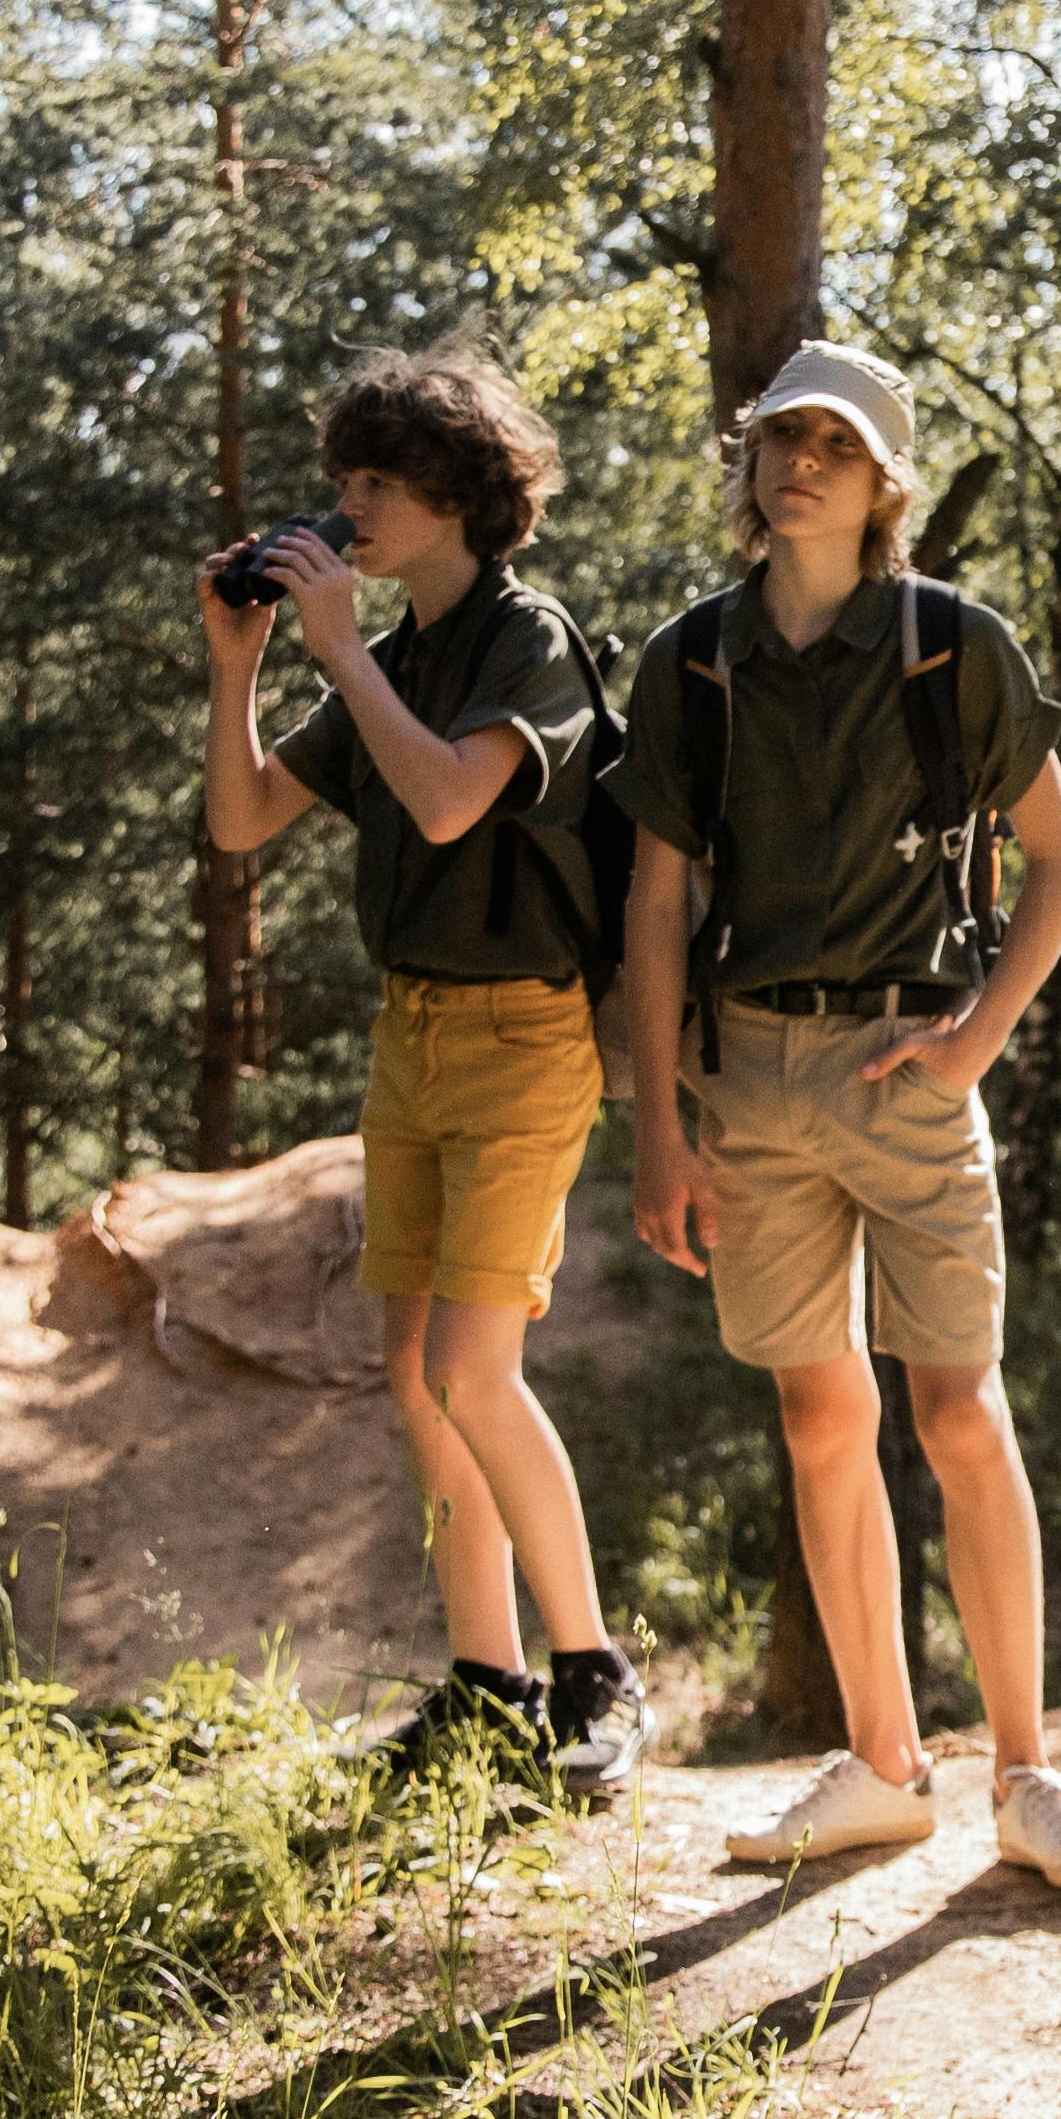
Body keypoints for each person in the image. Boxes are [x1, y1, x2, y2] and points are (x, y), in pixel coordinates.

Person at [614, 339, 1061, 1893]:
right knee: (817, 1419)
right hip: (747, 1082)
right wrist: (660, 1126)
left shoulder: (951, 646)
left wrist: (975, 1044)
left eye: (836, 445)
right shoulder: (691, 662)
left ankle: (1029, 1776)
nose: (801, 465)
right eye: (782, 438)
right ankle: (886, 1767)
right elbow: (654, 906)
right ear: (751, 460)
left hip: (911, 1074)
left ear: (885, 483)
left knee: (959, 1414)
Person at [197, 345, 645, 1800]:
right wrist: (240, 667)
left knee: (471, 1366)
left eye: (376, 483)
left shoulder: (530, 640)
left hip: (525, 1039)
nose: (347, 510)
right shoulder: (387, 660)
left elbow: (452, 801)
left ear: (458, 494)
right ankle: (486, 1684)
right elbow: (242, 819)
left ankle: (595, 1674)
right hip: (414, 1036)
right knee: (414, 1374)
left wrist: (335, 651)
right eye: (341, 482)